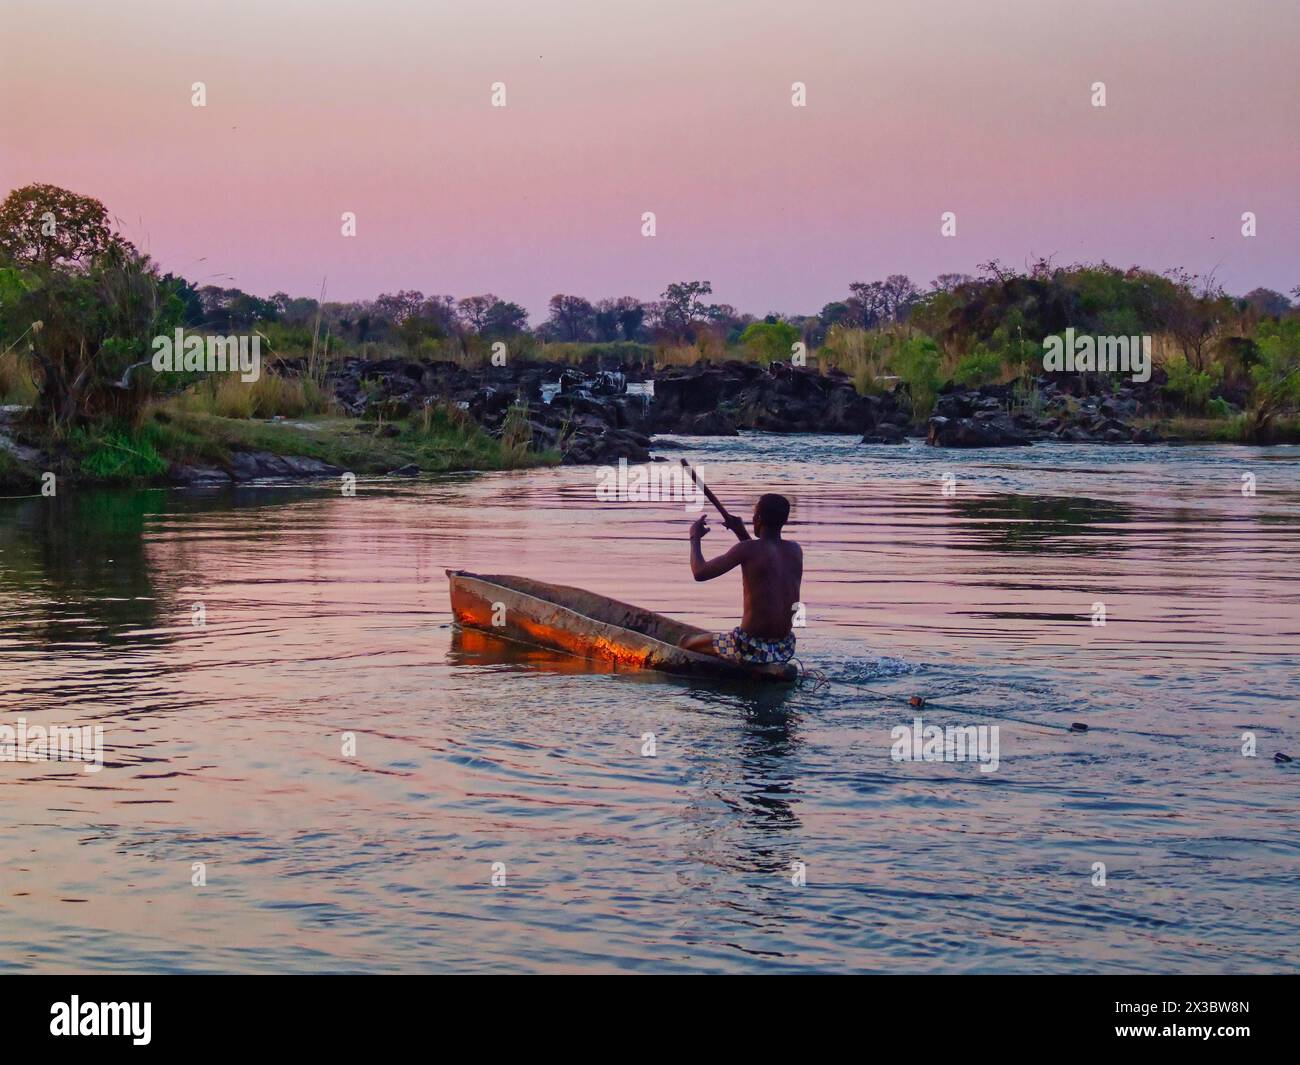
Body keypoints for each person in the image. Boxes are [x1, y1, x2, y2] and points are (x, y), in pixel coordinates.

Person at [680, 493, 802, 665]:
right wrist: (740, 531)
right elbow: (763, 560)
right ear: (785, 520)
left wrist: (694, 538)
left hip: (746, 647)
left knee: (685, 642)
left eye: (754, 514)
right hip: (784, 648)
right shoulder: (795, 550)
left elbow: (699, 573)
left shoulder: (747, 549)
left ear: (758, 518)